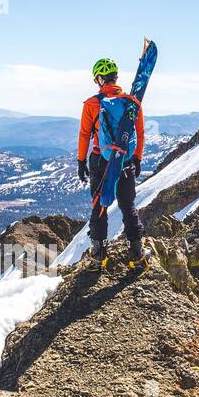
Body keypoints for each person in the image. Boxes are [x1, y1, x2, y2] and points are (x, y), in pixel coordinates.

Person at [77, 57, 145, 264]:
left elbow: (84, 134)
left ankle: (98, 255)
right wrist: (137, 158)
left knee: (100, 204)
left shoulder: (92, 104)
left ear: (99, 79)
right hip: (124, 160)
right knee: (127, 204)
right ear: (115, 77)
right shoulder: (132, 102)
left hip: (100, 159)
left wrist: (81, 161)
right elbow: (139, 133)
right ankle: (136, 253)